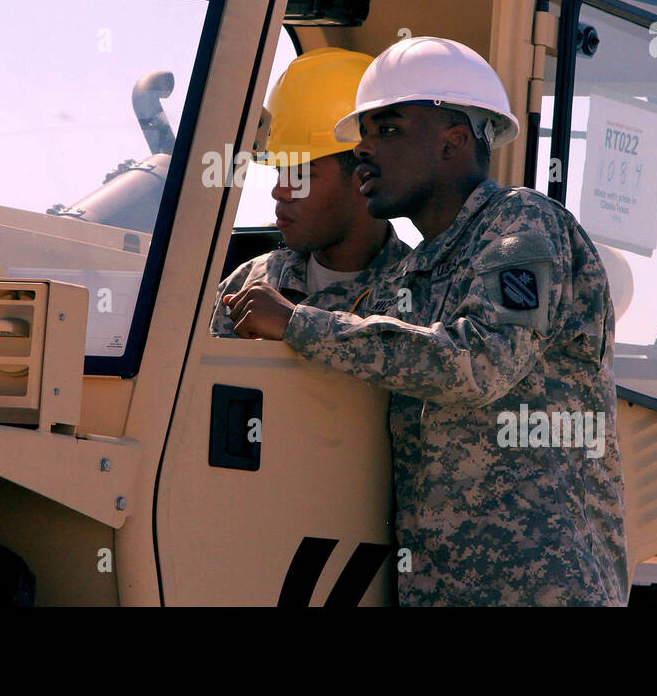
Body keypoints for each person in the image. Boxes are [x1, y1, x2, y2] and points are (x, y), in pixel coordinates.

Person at [224, 36, 629, 606]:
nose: (365, 151)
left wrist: (297, 323)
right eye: (361, 135)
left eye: (387, 131)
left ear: (453, 142)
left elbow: (476, 363)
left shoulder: (523, 227)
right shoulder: (409, 277)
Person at [212, 48, 410, 339]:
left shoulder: (420, 296)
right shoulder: (247, 282)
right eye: (280, 171)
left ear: (365, 175)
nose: (280, 191)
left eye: (302, 174)